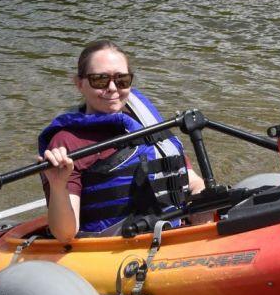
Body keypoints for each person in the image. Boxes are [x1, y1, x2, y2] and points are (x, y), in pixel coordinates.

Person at [37, 40, 204, 242]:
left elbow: (193, 181)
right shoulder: (67, 142)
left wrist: (202, 208)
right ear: (79, 83)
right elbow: (64, 234)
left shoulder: (146, 119)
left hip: (171, 232)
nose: (112, 88)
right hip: (114, 250)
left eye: (122, 79)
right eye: (100, 80)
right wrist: (58, 186)